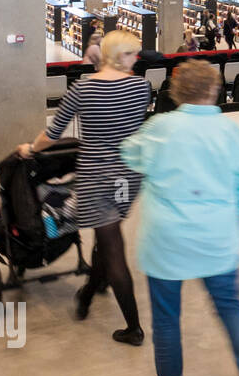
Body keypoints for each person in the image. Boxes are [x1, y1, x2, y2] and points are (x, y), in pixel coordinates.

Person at [120, 59, 239, 376]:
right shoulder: (229, 133)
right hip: (217, 238)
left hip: (165, 240)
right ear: (216, 90)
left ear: (175, 92)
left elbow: (130, 155)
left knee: (166, 317)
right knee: (231, 309)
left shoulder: (160, 127)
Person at [18, 30, 150, 345]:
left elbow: (52, 133)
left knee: (112, 247)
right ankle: (89, 292)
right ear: (121, 56)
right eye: (132, 54)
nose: (137, 59)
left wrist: (31, 150)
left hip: (96, 179)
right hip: (127, 178)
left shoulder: (83, 88)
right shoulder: (141, 87)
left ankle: (133, 328)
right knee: (108, 235)